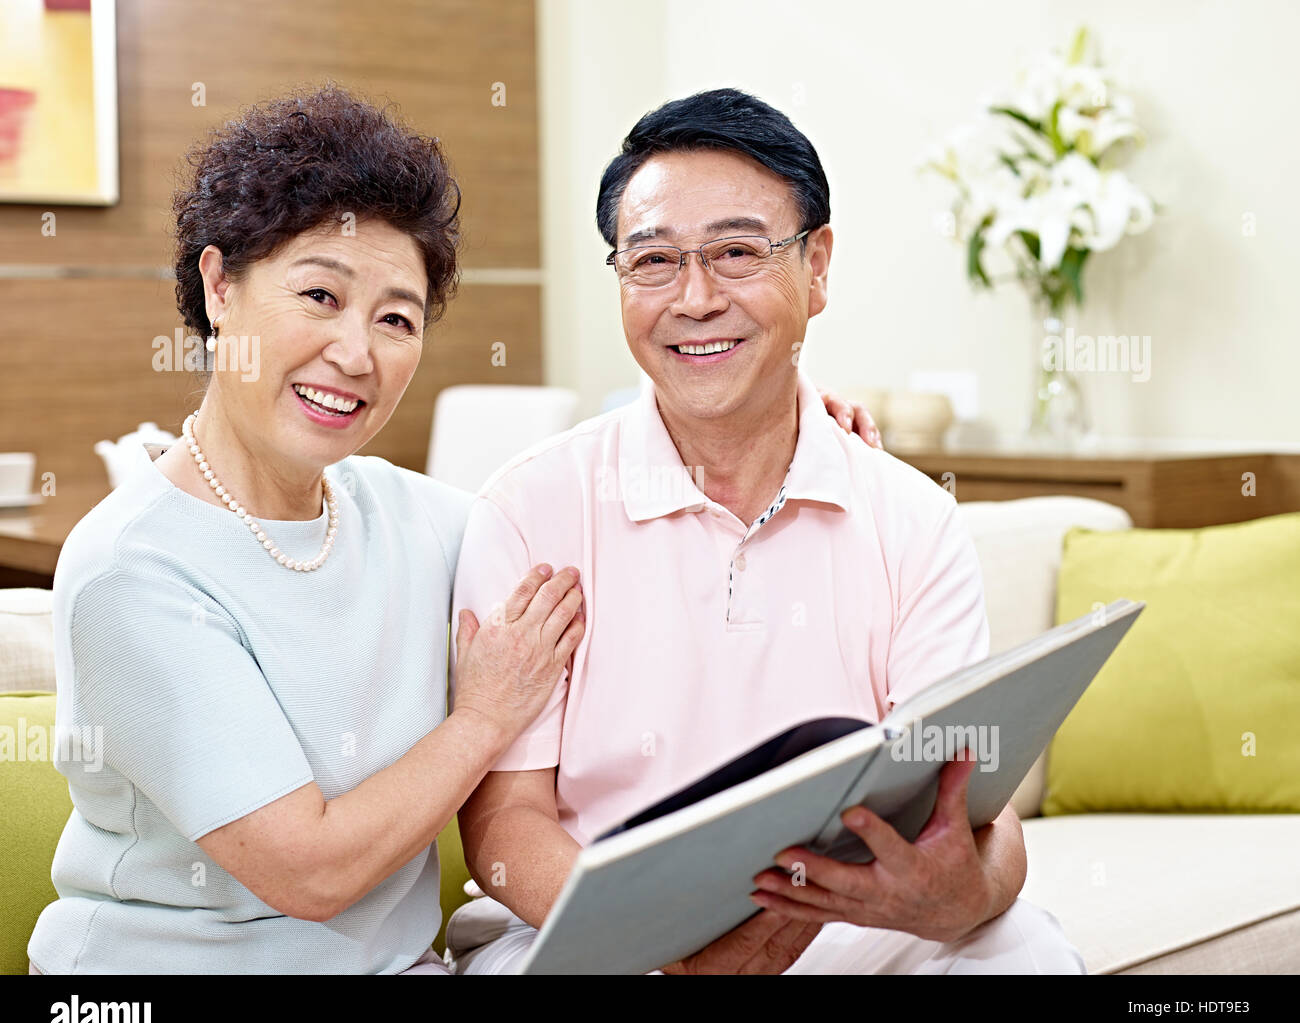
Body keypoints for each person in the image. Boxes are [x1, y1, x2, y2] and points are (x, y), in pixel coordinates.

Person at [26, 84, 876, 975]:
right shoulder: (132, 569)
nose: (357, 353)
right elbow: (310, 872)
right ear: (218, 287)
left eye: (396, 317)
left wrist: (783, 432)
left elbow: (604, 516)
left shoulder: (419, 519)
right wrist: (483, 717)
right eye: (320, 294)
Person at [448, 88, 1087, 975]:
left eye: (738, 252)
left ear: (817, 267)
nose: (696, 298)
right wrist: (665, 941)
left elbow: (973, 805)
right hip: (599, 936)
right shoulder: (527, 509)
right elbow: (505, 822)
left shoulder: (911, 517)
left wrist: (961, 894)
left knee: (1021, 952)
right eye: (654, 261)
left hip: (854, 926)